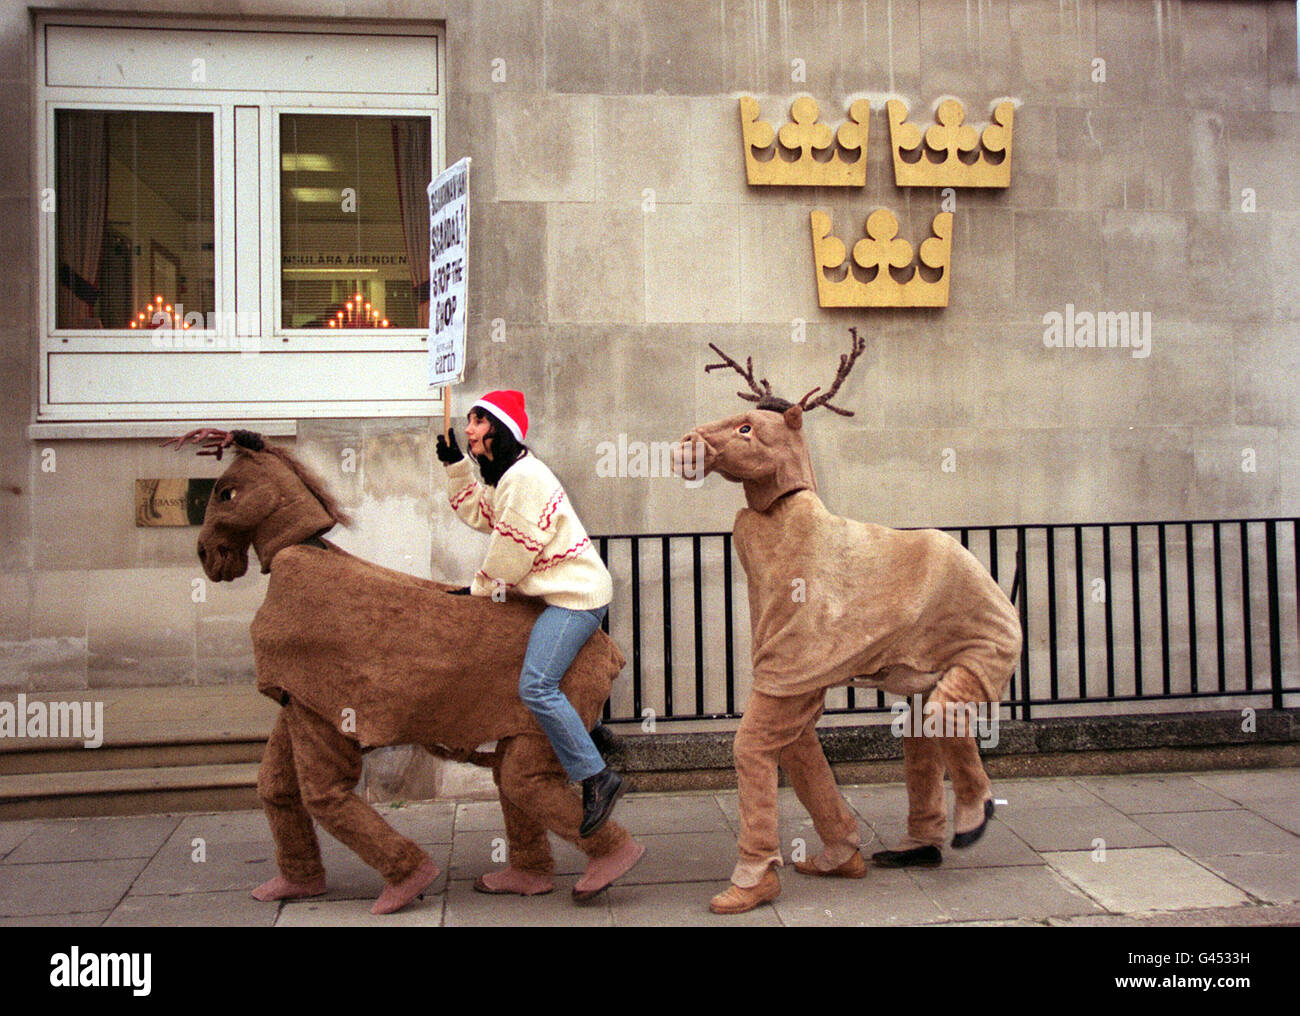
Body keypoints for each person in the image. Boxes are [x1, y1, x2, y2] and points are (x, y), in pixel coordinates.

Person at [436, 389, 627, 839]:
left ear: (499, 429)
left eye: (478, 421)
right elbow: (484, 514)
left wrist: (480, 587)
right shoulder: (514, 475)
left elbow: (510, 553)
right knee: (530, 660)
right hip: (554, 593)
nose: (468, 430)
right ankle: (594, 730)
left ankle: (596, 776)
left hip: (574, 597)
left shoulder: (525, 478)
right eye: (468, 421)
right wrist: (455, 466)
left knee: (536, 685)